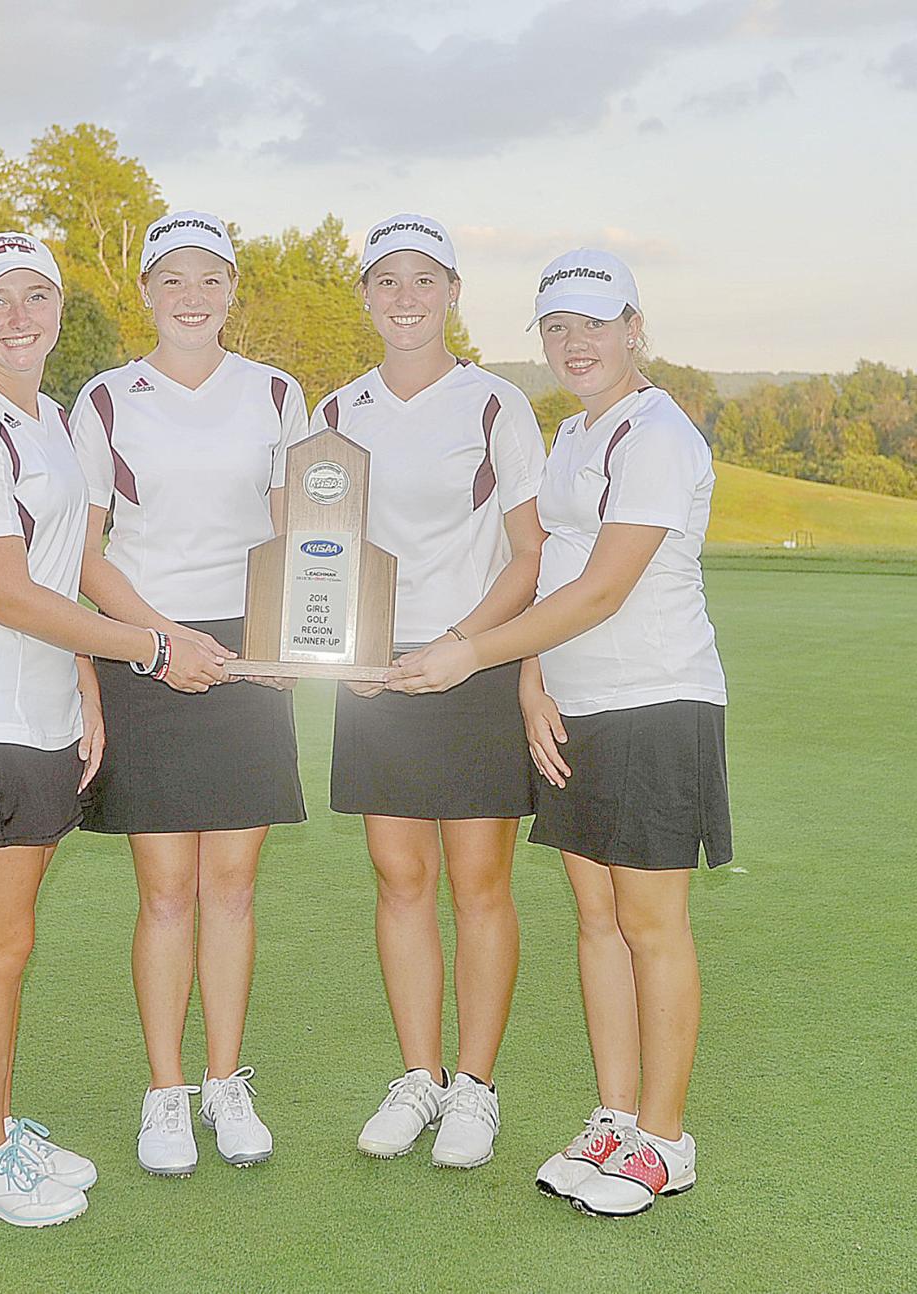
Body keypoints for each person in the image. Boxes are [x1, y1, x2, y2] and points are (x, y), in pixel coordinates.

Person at [388, 248, 732, 1215]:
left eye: (594, 323)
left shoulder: (657, 433)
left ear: (634, 328)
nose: (576, 343)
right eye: (557, 328)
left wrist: (479, 651)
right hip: (576, 709)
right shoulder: (576, 433)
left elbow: (605, 586)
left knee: (652, 924)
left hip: (657, 701)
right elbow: (547, 565)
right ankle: (615, 1118)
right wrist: (533, 682)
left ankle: (666, 1139)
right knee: (596, 921)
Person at [0, 231, 218, 1227]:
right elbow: (8, 593)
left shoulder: (53, 418)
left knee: (12, 939)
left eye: (38, 296)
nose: (21, 316)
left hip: (36, 710)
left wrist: (96, 673)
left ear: (60, 309)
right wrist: (149, 652)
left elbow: (68, 563)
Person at [304, 215, 546, 1168]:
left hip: (471, 662)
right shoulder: (334, 413)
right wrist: (338, 652)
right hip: (373, 670)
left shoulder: (495, 406)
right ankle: (420, 1077)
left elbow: (529, 555)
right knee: (400, 881)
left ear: (451, 294)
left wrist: (465, 646)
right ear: (365, 296)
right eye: (387, 281)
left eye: (424, 281)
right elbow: (317, 555)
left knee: (479, 886)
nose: (405, 298)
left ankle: (475, 1089)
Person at [70, 211, 306, 1177]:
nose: (193, 296)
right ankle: (165, 1094)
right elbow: (84, 550)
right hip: (148, 645)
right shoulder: (105, 398)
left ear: (234, 289)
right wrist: (159, 643)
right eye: (173, 279)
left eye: (211, 278)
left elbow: (305, 533)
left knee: (233, 887)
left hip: (249, 649)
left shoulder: (280, 393)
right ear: (145, 292)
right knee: (167, 891)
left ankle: (223, 1082)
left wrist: (299, 634)